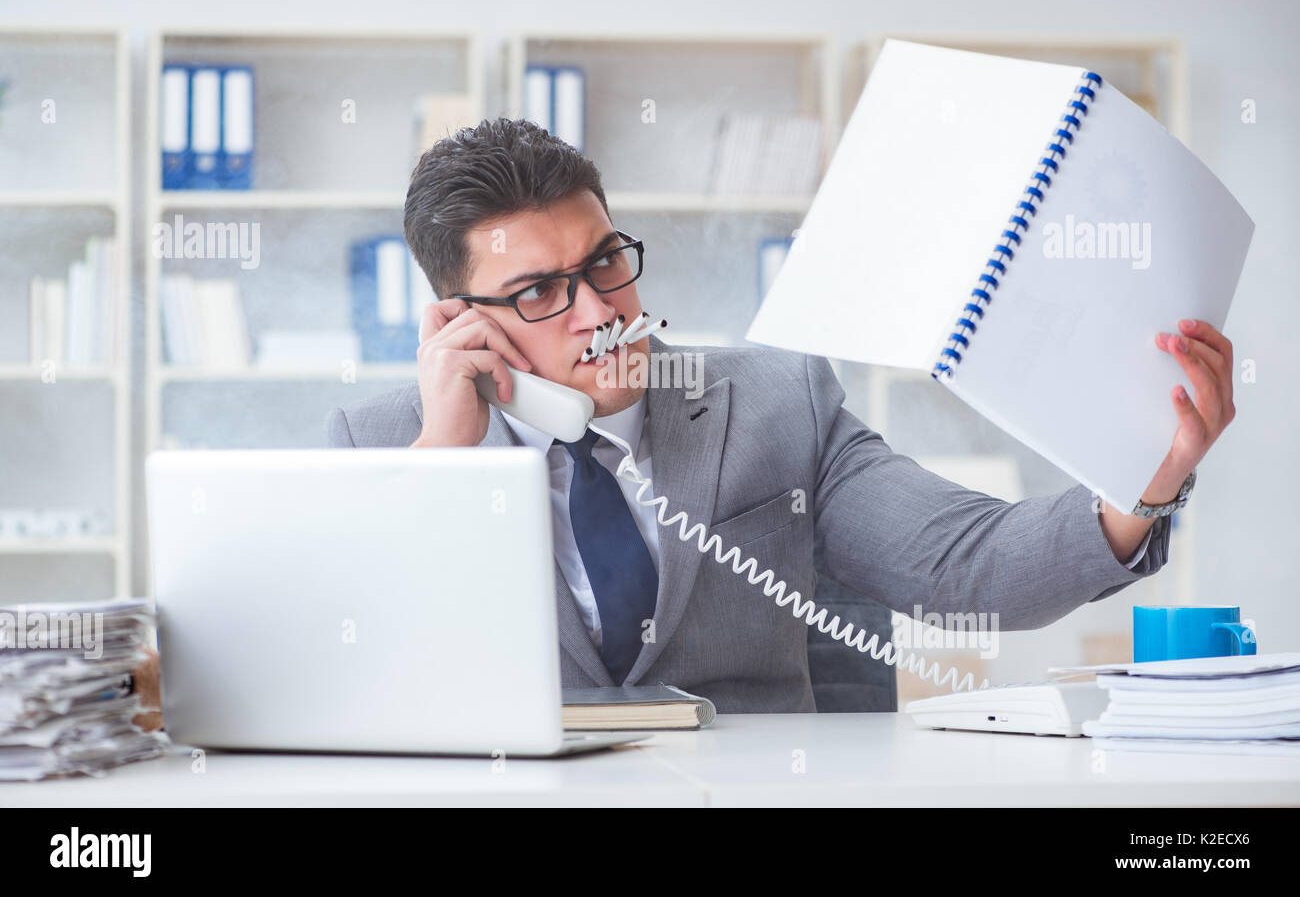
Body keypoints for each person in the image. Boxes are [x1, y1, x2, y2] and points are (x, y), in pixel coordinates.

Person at [135, 117, 1236, 719]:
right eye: (537, 294)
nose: (599, 310)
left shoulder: (773, 399)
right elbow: (328, 676)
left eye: (604, 261)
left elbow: (966, 568)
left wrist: (1140, 483)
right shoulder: (382, 448)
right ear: (457, 325)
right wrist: (443, 467)